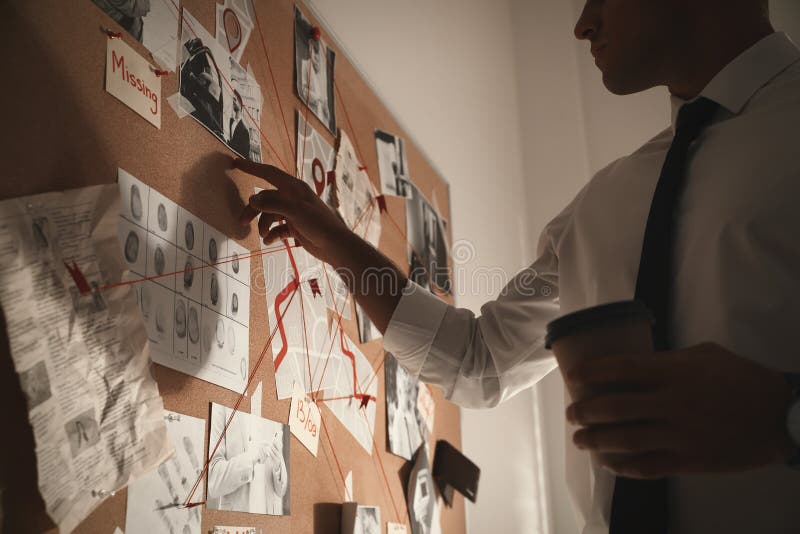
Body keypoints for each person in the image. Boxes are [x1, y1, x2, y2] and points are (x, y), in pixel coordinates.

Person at [235, 1, 800, 532]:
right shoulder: (600, 207)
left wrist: (786, 417)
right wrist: (337, 243)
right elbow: (478, 363)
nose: (582, 24)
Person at [207, 404, 287, 514]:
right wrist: (252, 457)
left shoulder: (274, 408)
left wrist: (278, 468)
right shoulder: (222, 406)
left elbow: (281, 491)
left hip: (270, 522)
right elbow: (213, 482)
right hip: (237, 520)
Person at [228, 90, 251, 159]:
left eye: (234, 99)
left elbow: (243, 156)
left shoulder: (244, 132)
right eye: (231, 99)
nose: (232, 102)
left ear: (240, 106)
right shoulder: (228, 120)